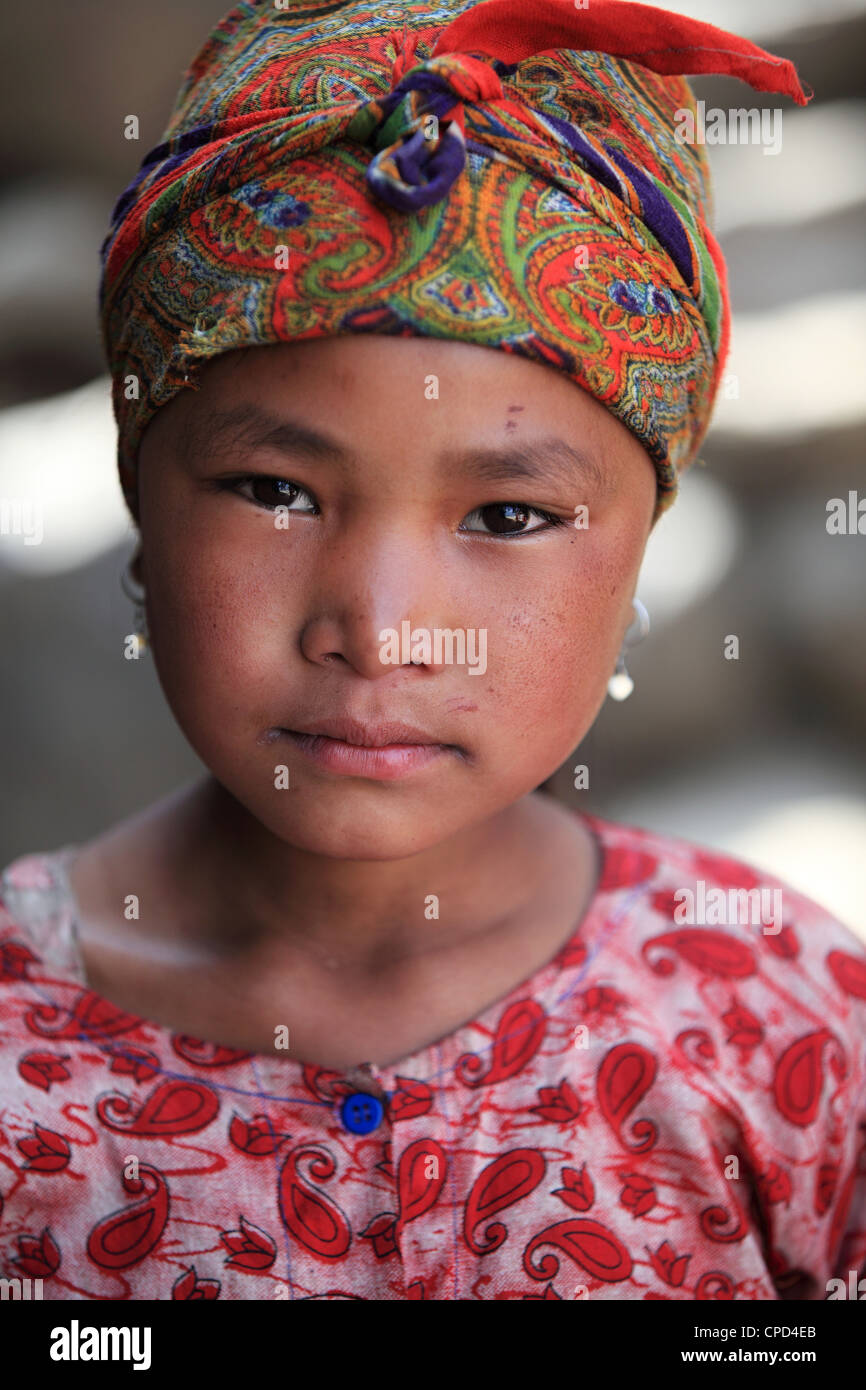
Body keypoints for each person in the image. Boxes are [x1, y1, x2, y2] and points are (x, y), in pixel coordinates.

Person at [1, 0, 863, 1302]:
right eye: (273, 490)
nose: (382, 627)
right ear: (138, 502)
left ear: (636, 560)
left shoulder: (785, 1017)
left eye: (508, 515)